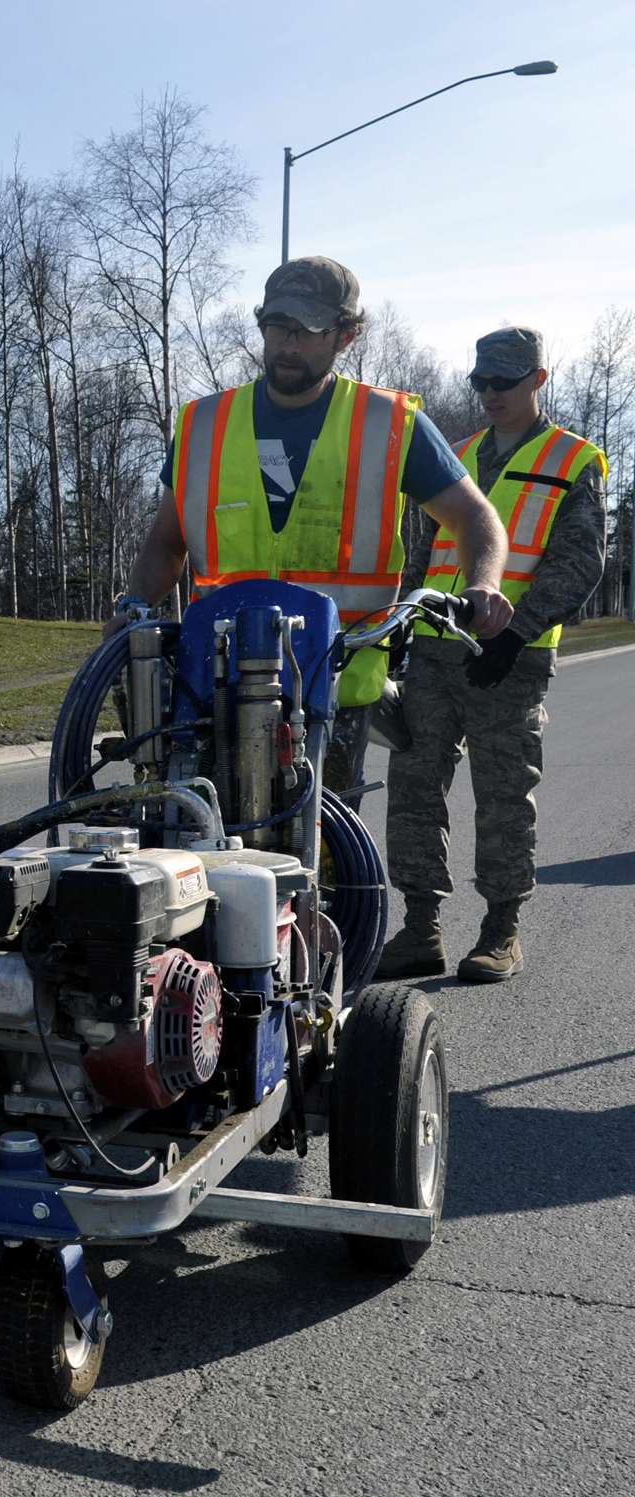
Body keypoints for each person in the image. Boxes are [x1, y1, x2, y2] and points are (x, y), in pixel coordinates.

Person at [102, 255, 512, 808]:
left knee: (325, 857)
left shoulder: (388, 424)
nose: (288, 344)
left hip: (336, 681)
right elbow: (165, 541)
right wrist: (135, 602)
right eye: (277, 327)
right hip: (216, 678)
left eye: (308, 331)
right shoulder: (203, 425)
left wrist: (485, 582)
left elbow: (474, 517)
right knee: (204, 840)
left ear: (347, 335)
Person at [378, 325, 607, 983]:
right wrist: (402, 622)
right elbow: (423, 549)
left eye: (502, 382)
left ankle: (501, 931)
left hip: (511, 655)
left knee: (505, 794)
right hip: (433, 650)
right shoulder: (456, 454)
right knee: (415, 787)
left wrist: (517, 633)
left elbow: (578, 561)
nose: (488, 393)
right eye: (480, 381)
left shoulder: (573, 459)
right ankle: (420, 926)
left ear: (537, 380)